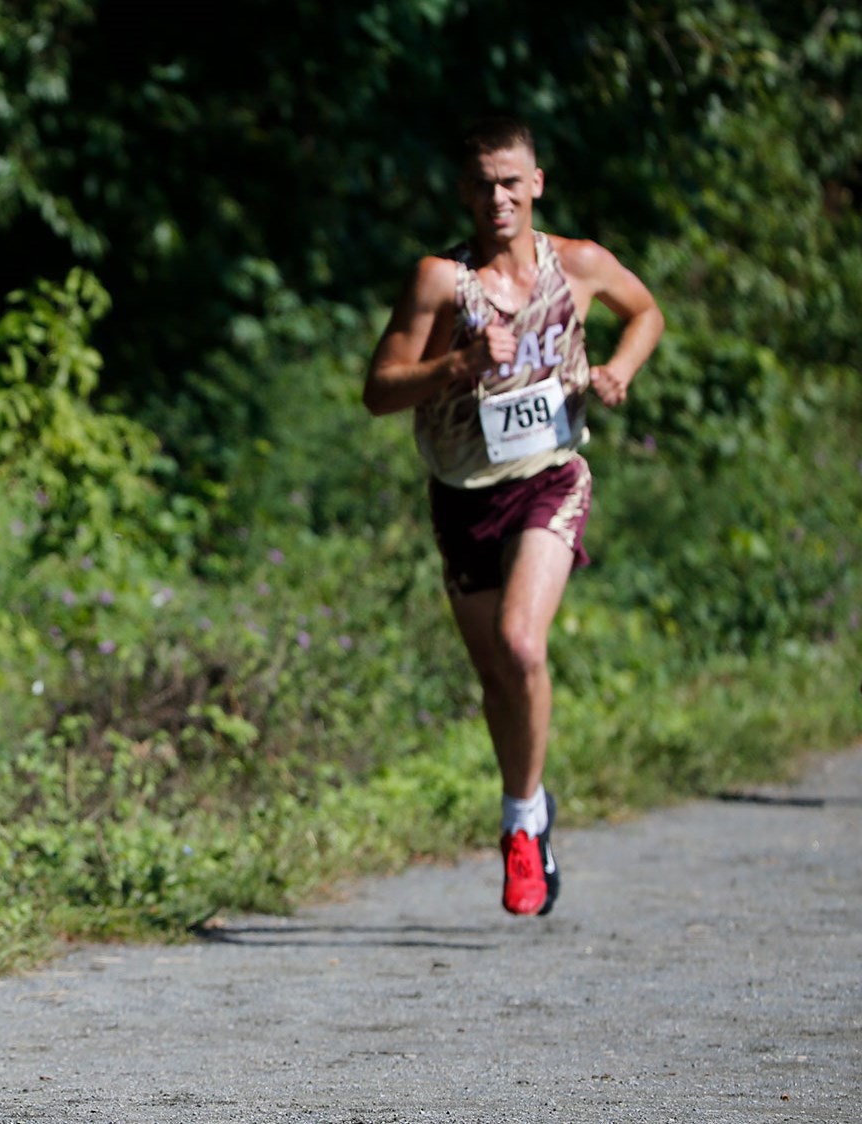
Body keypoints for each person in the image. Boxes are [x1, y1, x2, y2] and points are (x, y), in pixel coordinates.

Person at [362, 116, 663, 917]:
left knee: (521, 644)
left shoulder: (581, 263)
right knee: (499, 675)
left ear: (536, 184)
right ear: (466, 193)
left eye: (511, 181)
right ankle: (529, 805)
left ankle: (521, 824)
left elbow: (647, 313)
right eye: (483, 184)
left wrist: (620, 369)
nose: (498, 197)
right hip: (462, 494)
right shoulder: (438, 282)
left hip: (549, 477)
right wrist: (456, 364)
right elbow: (379, 390)